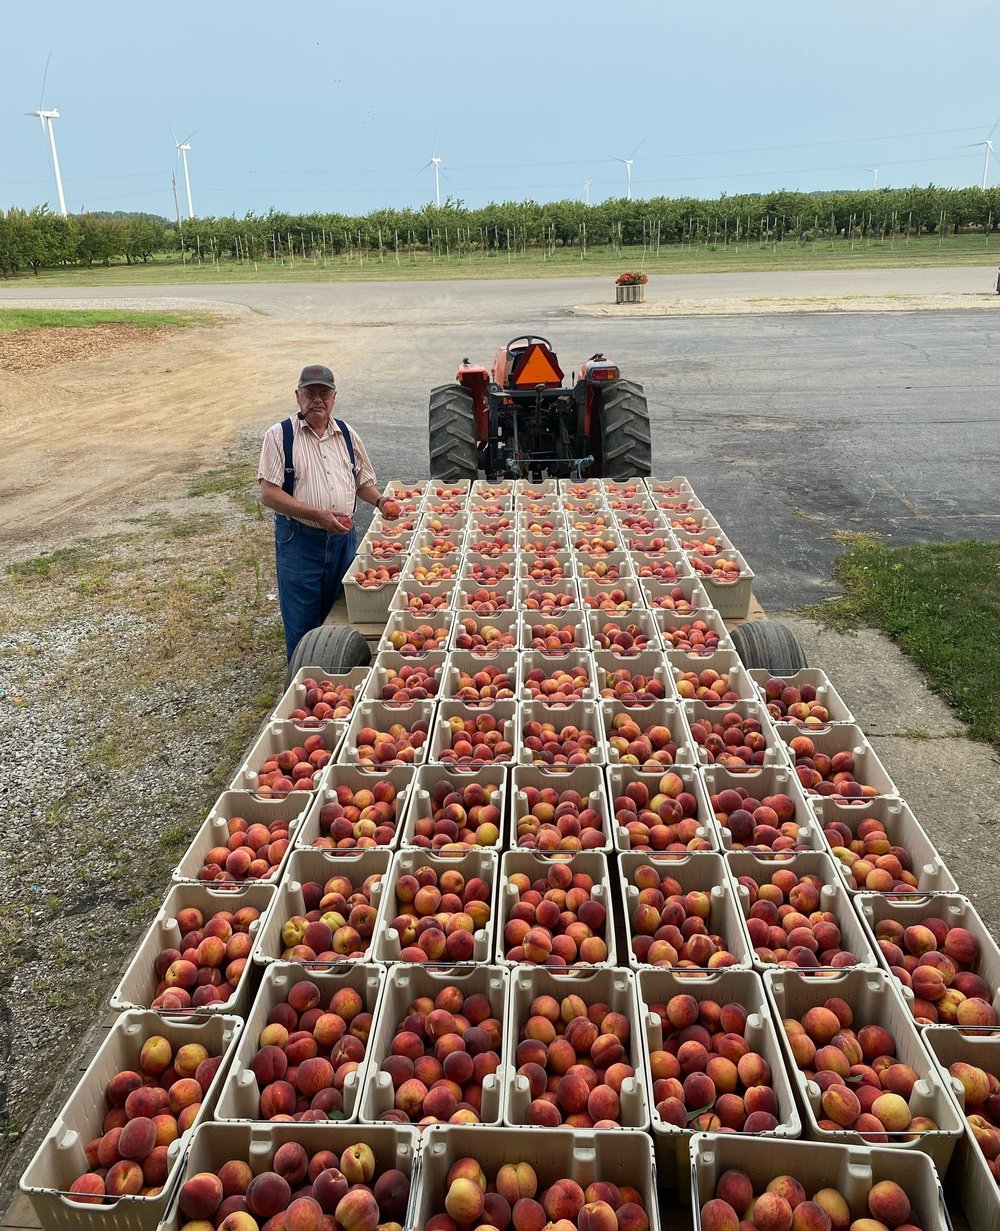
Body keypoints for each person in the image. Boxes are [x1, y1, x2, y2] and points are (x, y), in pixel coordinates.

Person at [258, 363, 397, 659]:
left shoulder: (346, 434)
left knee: (340, 615)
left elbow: (363, 484)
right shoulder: (281, 435)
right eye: (310, 393)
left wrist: (381, 501)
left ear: (335, 397)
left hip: (342, 541)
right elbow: (269, 494)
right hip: (300, 541)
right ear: (298, 396)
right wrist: (317, 515)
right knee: (303, 622)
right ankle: (302, 683)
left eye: (324, 393)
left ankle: (337, 675)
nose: (317, 400)